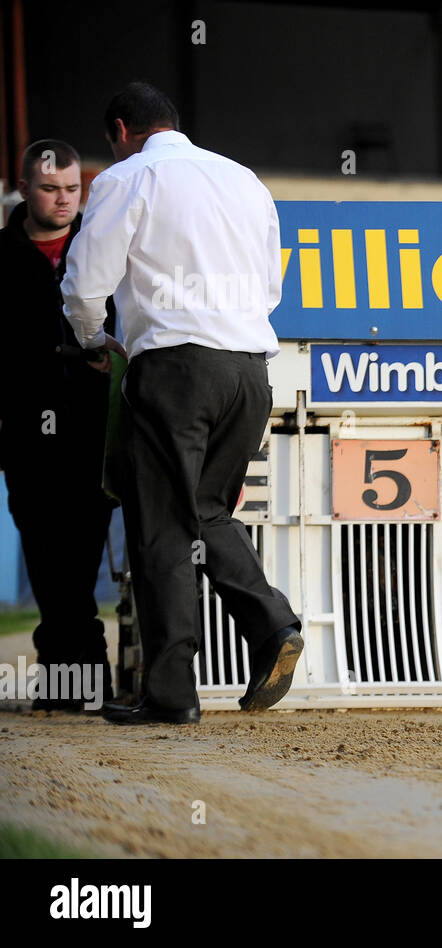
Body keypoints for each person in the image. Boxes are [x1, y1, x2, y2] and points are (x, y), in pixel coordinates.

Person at [61, 82, 302, 725]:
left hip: (175, 370)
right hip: (248, 369)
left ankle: (171, 693)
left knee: (163, 525)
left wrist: (90, 339)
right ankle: (274, 624)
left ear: (119, 131)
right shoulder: (243, 180)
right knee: (207, 511)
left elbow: (87, 281)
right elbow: (271, 283)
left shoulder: (127, 178)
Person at [0, 139, 117, 711]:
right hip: (25, 440)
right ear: (24, 189)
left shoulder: (98, 249)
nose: (65, 199)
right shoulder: (2, 256)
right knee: (49, 564)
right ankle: (78, 684)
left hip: (93, 437)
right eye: (51, 189)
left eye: (74, 188)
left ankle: (76, 685)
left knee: (78, 562)